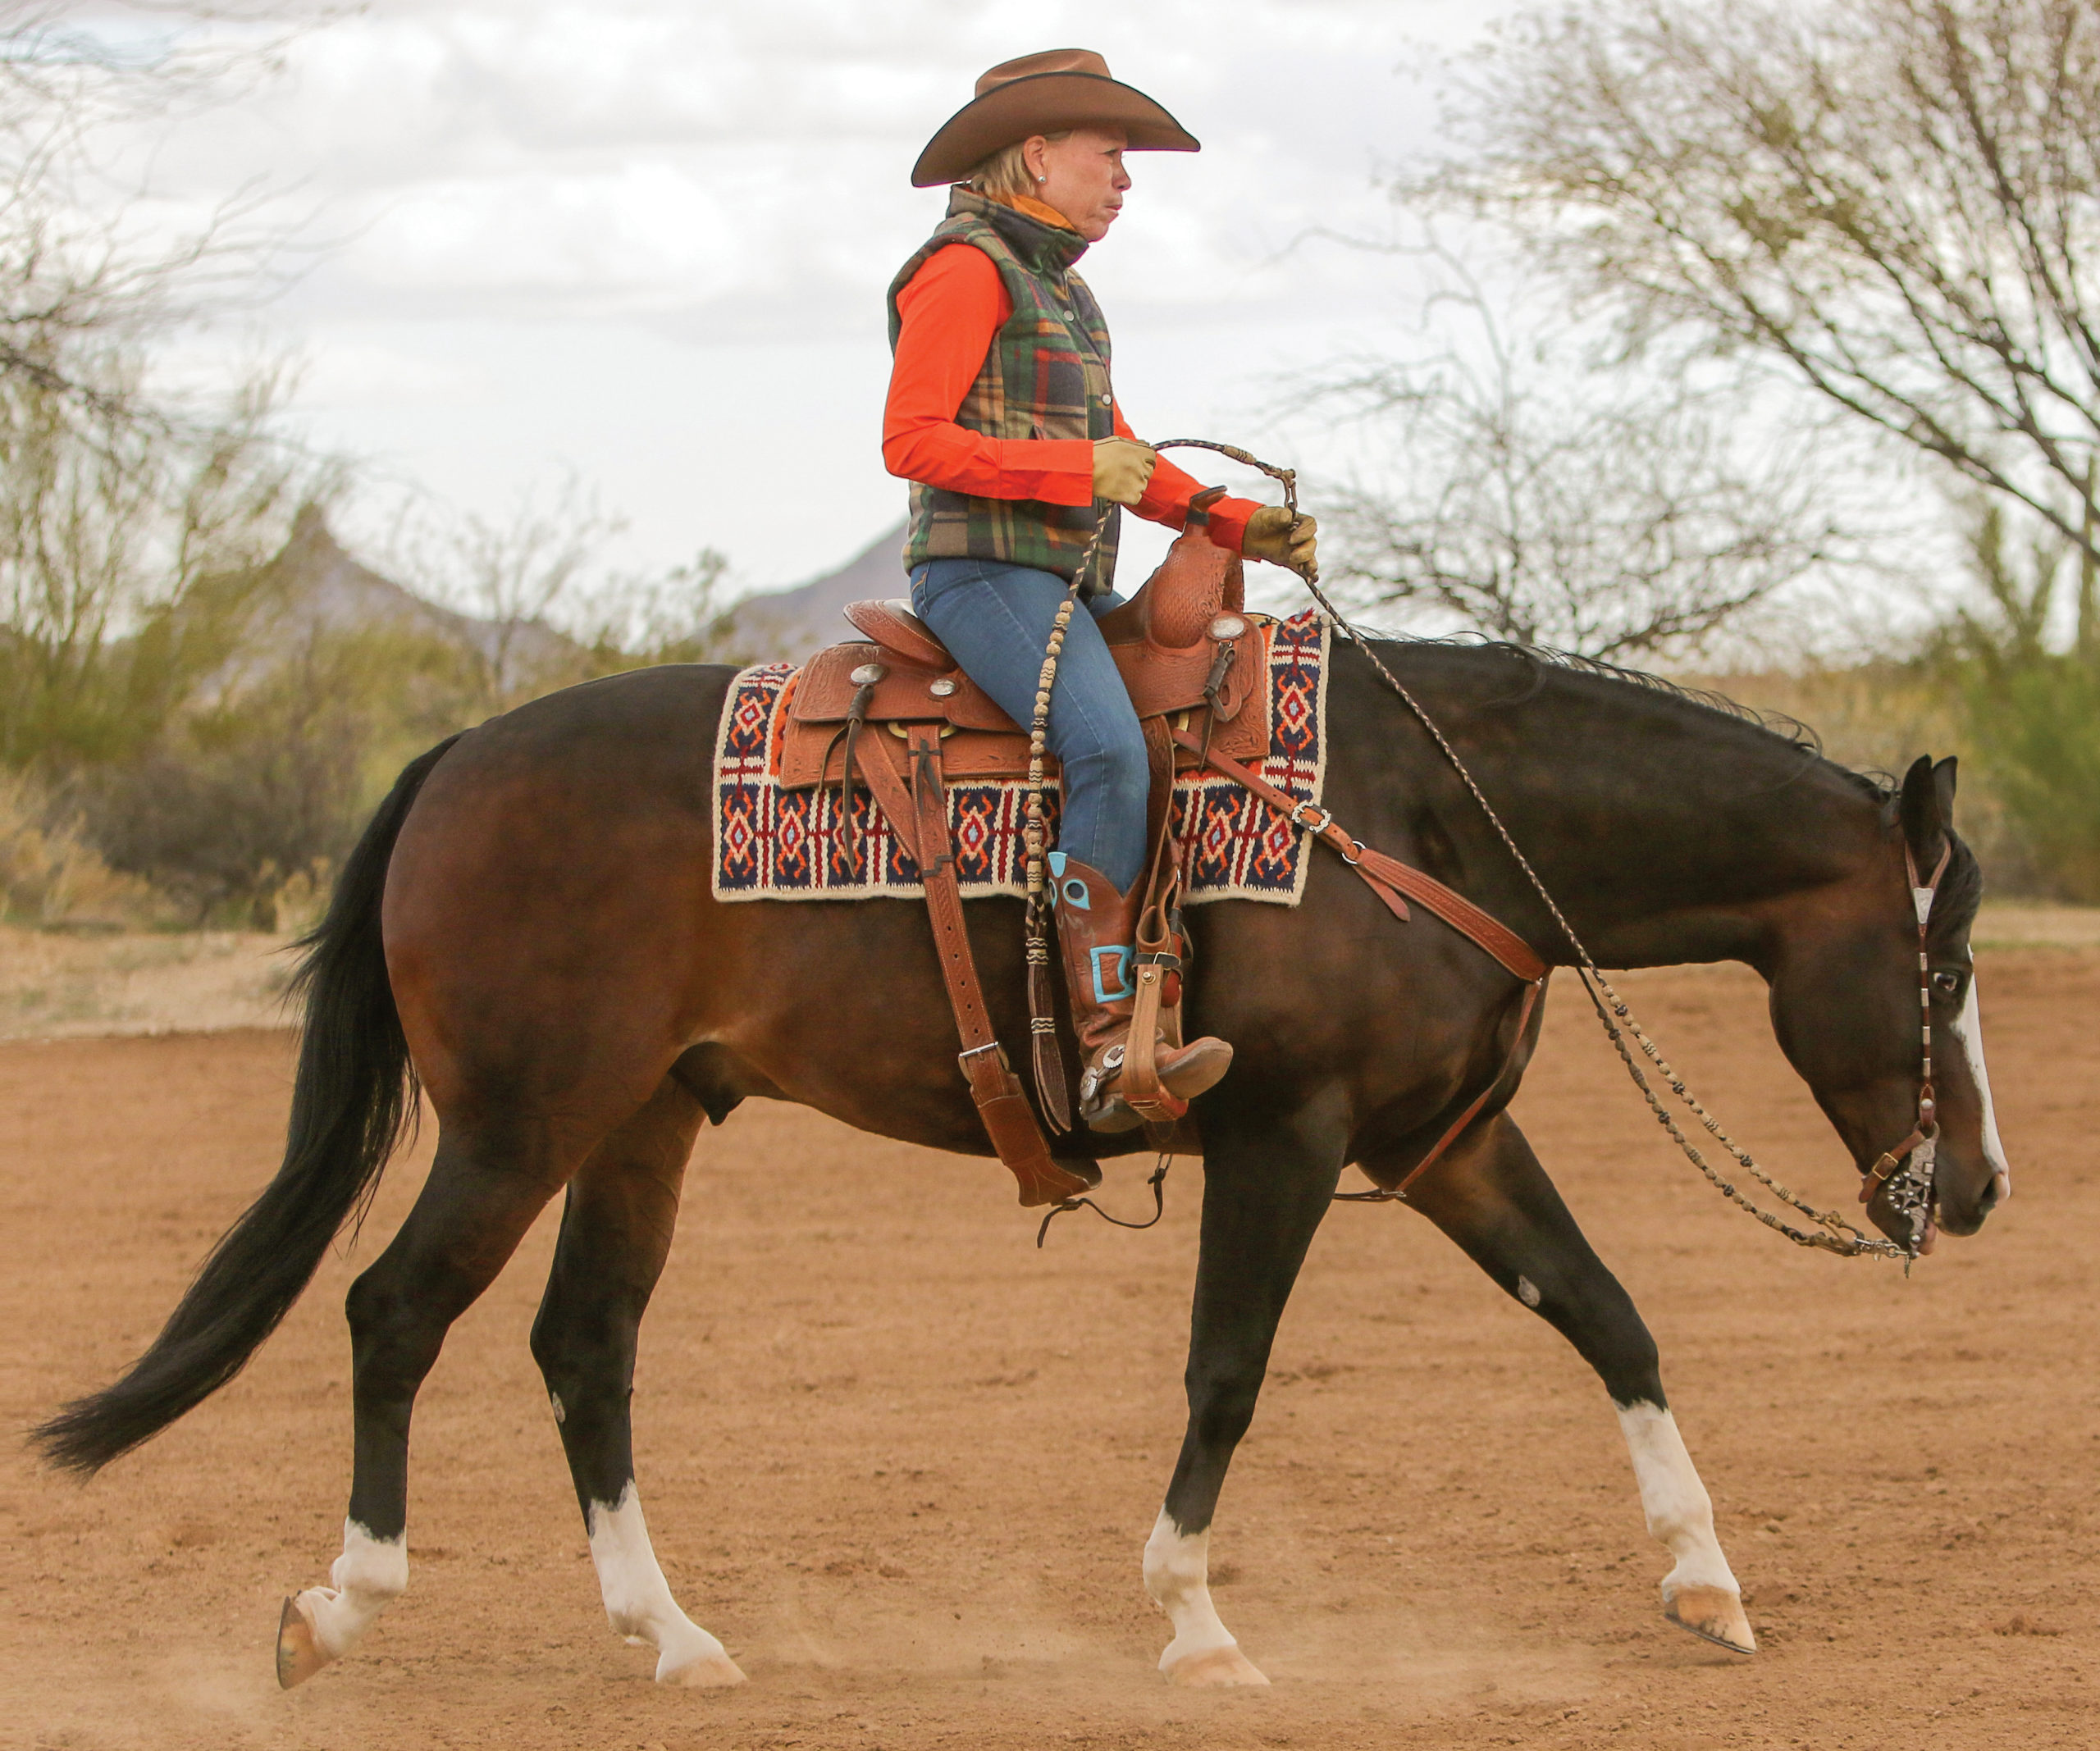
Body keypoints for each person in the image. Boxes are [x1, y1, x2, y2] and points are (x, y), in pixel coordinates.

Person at [884, 48, 1318, 1133]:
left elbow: (1125, 452)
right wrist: (1075, 470)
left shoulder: (1063, 289)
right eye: (1110, 154)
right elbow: (911, 440)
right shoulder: (964, 269)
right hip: (982, 575)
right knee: (1112, 750)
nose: (1125, 180)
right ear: (1037, 154)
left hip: (1061, 583)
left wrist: (1237, 523)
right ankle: (1108, 1047)